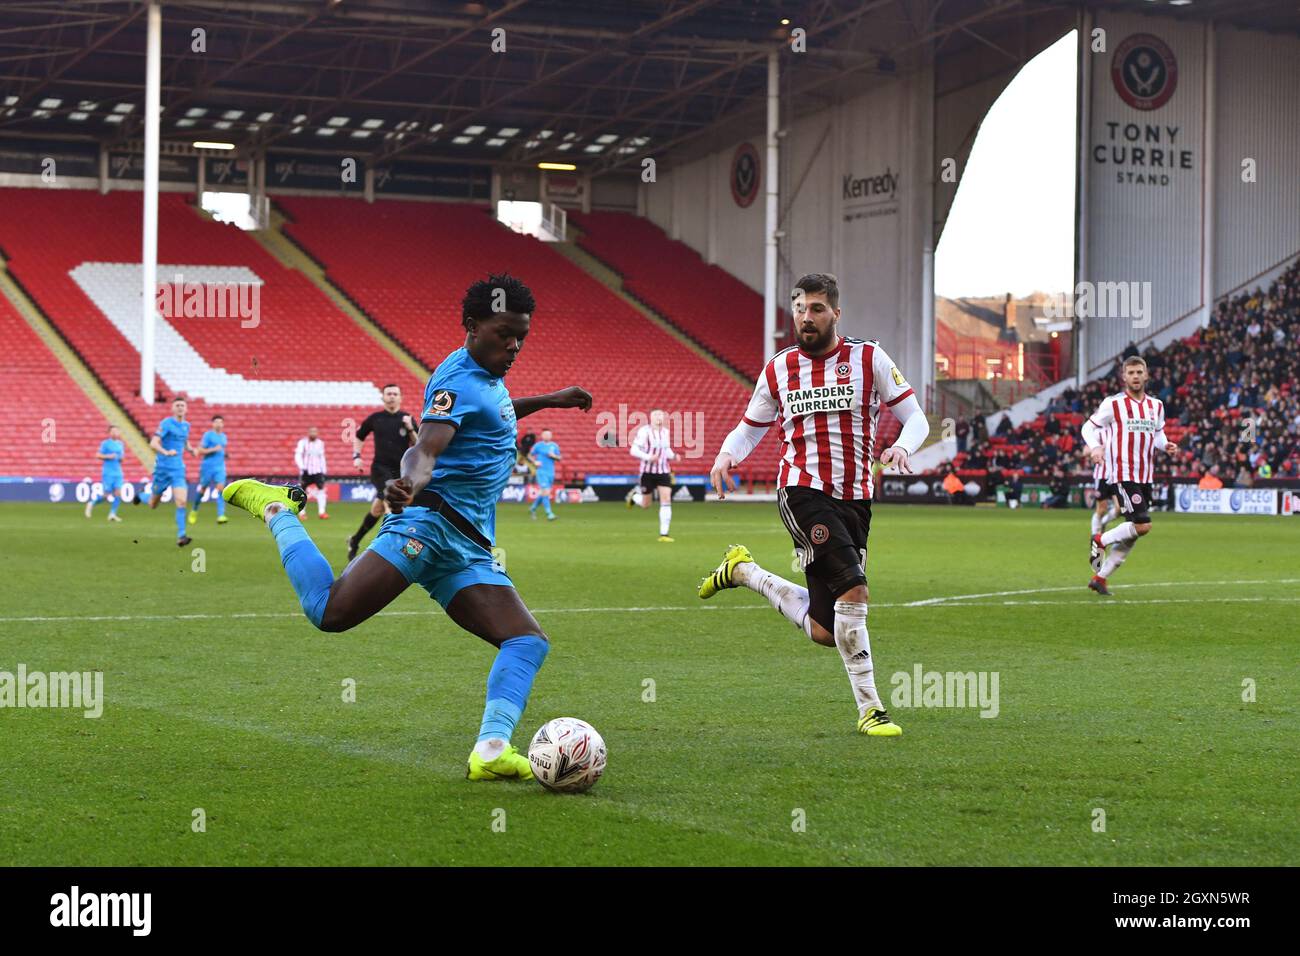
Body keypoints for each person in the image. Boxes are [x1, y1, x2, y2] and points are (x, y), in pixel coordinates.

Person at [222, 274, 592, 781]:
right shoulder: (455, 381)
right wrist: (408, 484)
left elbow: (497, 413)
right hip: (430, 527)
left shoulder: (488, 379)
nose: (514, 345)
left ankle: (490, 750)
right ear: (472, 326)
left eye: (521, 336)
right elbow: (426, 447)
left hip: (468, 548)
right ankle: (277, 511)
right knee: (328, 613)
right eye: (505, 333)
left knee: (527, 641)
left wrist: (549, 400)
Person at [695, 272, 929, 737]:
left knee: (825, 628)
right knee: (855, 590)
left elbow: (916, 418)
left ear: (835, 313)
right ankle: (871, 709)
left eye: (817, 309)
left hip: (856, 500)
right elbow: (750, 427)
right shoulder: (778, 368)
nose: (806, 317)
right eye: (800, 308)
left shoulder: (868, 357)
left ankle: (744, 572)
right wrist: (726, 454)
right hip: (802, 491)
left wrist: (903, 447)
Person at [1083, 356, 1179, 596]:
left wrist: (1165, 445)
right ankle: (1100, 539)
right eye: (1131, 373)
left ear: (1146, 376)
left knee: (1134, 532)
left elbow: (1157, 434)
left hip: (1145, 474)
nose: (1136, 376)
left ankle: (1100, 578)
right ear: (1124, 377)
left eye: (1139, 372)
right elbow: (1088, 427)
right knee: (1143, 525)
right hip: (1123, 472)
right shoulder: (1113, 404)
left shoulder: (1156, 406)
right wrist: (1095, 447)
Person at [347, 384, 417, 560]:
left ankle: (355, 540)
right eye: (388, 394)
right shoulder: (375, 418)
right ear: (383, 397)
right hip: (380, 469)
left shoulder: (407, 419)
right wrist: (356, 456)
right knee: (391, 503)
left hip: (401, 471)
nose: (392, 396)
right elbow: (359, 436)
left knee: (377, 509)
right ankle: (389, 550)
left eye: (395, 394)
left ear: (400, 397)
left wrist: (409, 428)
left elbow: (417, 444)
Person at [148, 396, 196, 547]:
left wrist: (191, 449)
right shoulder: (166, 423)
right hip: (162, 468)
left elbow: (184, 441)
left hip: (178, 469)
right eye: (178, 405)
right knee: (153, 504)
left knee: (181, 501)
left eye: (183, 405)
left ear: (186, 408)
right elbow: (153, 443)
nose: (180, 407)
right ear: (173, 408)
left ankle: (181, 536)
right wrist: (165, 451)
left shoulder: (186, 426)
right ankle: (141, 496)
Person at [628, 409, 678, 541]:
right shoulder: (644, 431)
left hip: (663, 471)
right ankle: (634, 497)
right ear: (651, 418)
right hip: (647, 472)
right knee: (646, 504)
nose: (658, 417)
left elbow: (666, 450)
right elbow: (633, 450)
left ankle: (664, 534)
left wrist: (674, 456)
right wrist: (648, 457)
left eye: (661, 415)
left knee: (666, 499)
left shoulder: (666, 432)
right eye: (656, 415)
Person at [191, 415, 229, 525]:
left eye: (220, 422)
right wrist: (213, 449)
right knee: (203, 489)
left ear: (223, 424)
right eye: (216, 422)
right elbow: (200, 450)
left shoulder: (223, 437)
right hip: (207, 466)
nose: (218, 424)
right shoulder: (208, 435)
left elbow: (221, 450)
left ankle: (221, 515)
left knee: (221, 489)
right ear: (212, 424)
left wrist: (224, 454)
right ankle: (194, 509)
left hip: (220, 467)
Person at [85, 425, 125, 522]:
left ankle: (112, 514)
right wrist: (108, 456)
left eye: (117, 431)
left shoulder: (121, 444)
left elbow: (122, 458)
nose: (115, 433)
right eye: (113, 431)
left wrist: (120, 458)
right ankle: (91, 503)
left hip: (118, 472)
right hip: (108, 472)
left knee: (118, 493)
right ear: (109, 433)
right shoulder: (105, 444)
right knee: (106, 495)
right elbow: (98, 455)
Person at [295, 425, 330, 519]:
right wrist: (302, 467)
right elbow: (298, 455)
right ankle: (302, 513)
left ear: (317, 433)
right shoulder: (302, 443)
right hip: (306, 471)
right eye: (312, 432)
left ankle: (322, 512)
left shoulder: (320, 443)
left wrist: (324, 470)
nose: (313, 433)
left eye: (315, 432)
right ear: (308, 433)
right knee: (302, 491)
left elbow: (321, 457)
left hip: (317, 471)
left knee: (321, 490)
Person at [528, 428, 561, 521]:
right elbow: (529, 455)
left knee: (544, 493)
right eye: (545, 434)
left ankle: (533, 508)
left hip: (551, 472)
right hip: (541, 471)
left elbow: (559, 458)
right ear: (542, 436)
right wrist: (535, 462)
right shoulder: (538, 446)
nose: (547, 436)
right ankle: (549, 513)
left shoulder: (554, 446)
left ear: (551, 436)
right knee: (546, 491)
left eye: (548, 434)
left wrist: (554, 456)